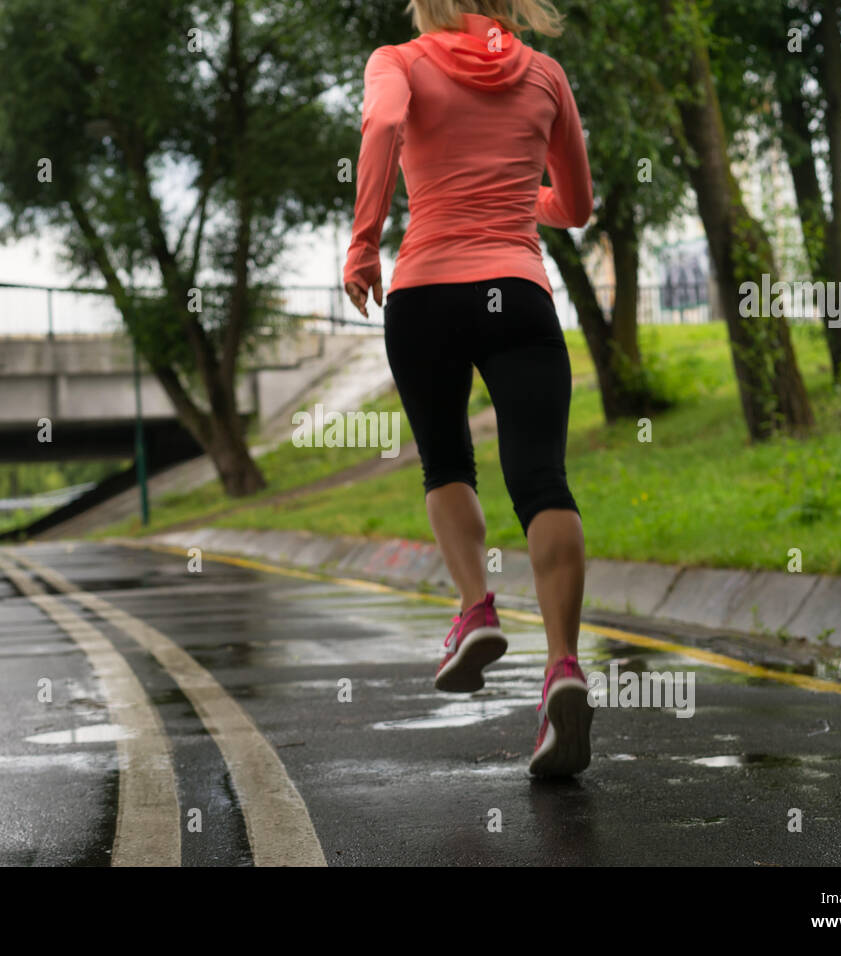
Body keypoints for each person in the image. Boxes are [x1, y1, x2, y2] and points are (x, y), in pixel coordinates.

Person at [342, 0, 594, 777]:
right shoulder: (545, 73)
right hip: (516, 291)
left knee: (445, 461)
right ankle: (562, 668)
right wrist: (526, 204)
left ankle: (477, 608)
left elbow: (382, 129)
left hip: (425, 292)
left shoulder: (400, 61)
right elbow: (577, 206)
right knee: (543, 479)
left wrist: (364, 244)